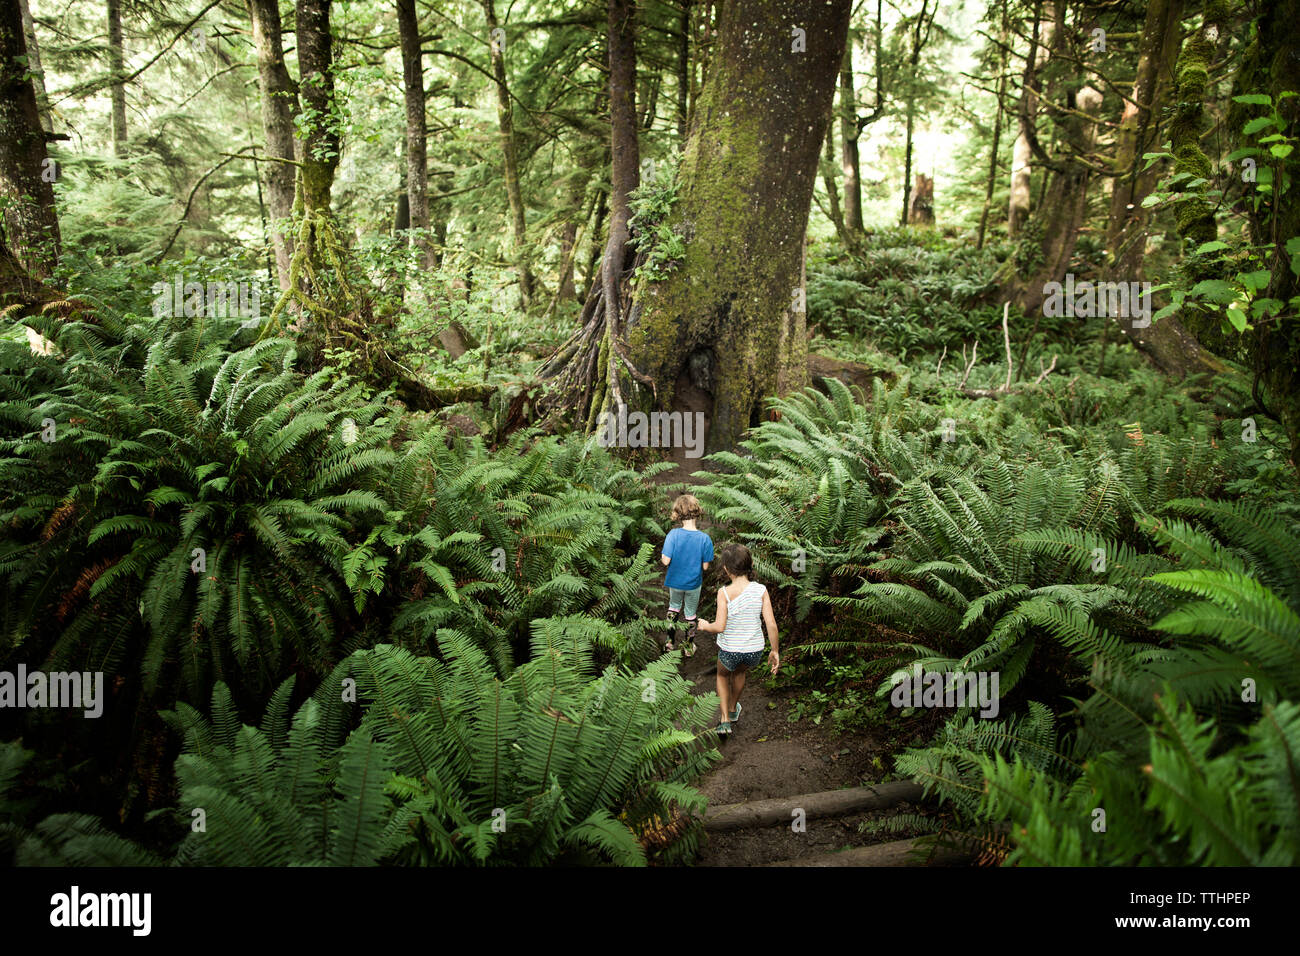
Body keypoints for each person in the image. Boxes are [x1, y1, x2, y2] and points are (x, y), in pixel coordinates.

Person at [695, 544, 780, 737]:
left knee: (723, 676)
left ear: (726, 568)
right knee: (740, 674)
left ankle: (725, 720)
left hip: (729, 650)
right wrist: (774, 650)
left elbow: (719, 626)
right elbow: (771, 624)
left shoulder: (724, 593)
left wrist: (704, 625)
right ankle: (733, 709)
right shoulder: (761, 590)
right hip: (753, 651)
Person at [660, 494, 713, 656]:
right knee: (690, 614)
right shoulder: (705, 539)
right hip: (693, 584)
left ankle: (669, 643)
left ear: (678, 514)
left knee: (673, 607)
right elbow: (705, 567)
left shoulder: (673, 535)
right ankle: (688, 647)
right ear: (697, 512)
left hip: (675, 582)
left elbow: (665, 561)